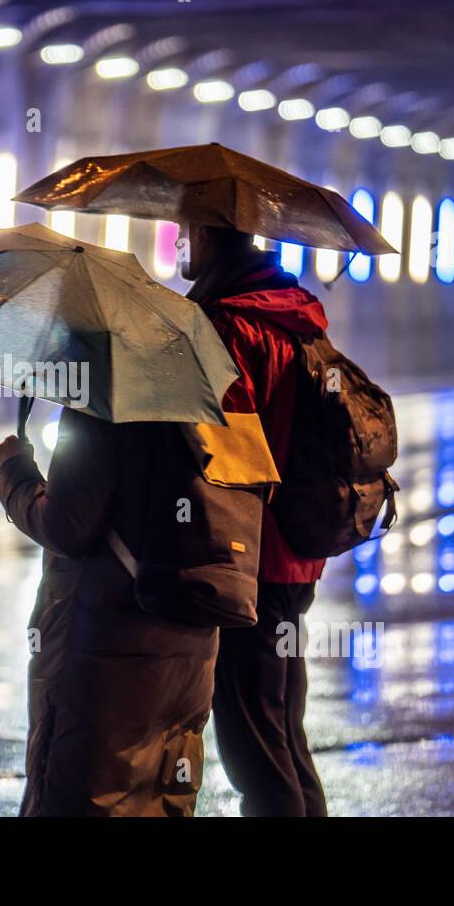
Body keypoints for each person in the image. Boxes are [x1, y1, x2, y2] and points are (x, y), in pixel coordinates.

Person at [0, 411, 219, 816]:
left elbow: (66, 526)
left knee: (84, 799)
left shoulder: (100, 403)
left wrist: (15, 472)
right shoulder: (202, 400)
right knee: (163, 801)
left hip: (108, 650)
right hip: (191, 645)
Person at [183, 223, 330, 817]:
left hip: (250, 557)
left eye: (184, 228)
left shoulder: (228, 325)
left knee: (257, 751)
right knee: (283, 733)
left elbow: (229, 450)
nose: (177, 240)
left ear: (207, 235)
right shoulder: (295, 314)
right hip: (296, 556)